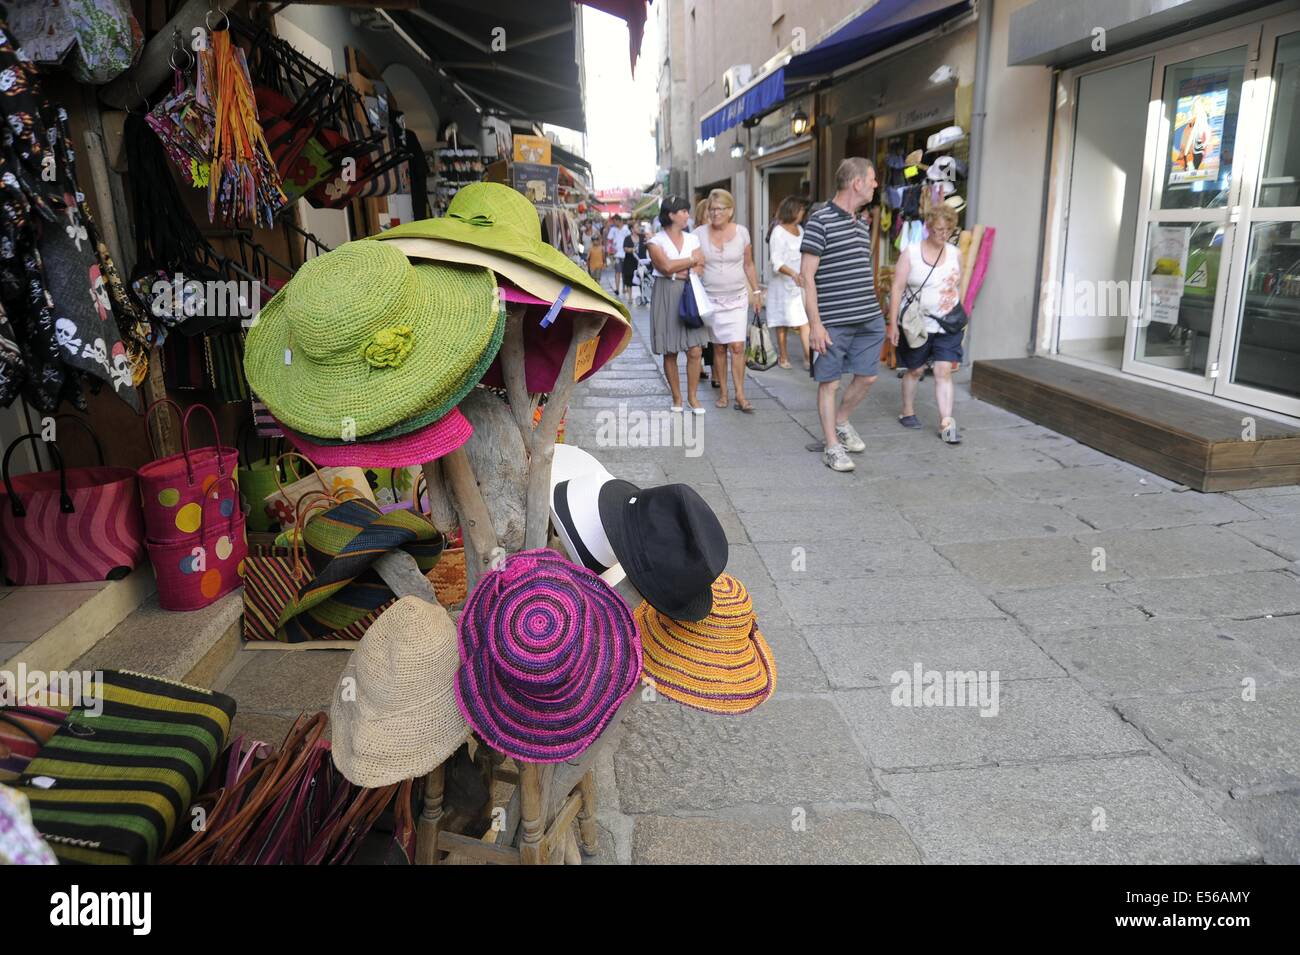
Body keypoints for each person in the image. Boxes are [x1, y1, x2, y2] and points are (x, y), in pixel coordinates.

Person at [801, 157, 890, 473]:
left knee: (868, 375)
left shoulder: (861, 222)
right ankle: (832, 446)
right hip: (833, 321)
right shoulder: (820, 220)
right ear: (857, 183)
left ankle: (841, 421)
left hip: (868, 317)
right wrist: (815, 324)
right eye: (872, 179)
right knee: (829, 383)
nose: (875, 185)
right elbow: (807, 276)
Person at [889, 204, 964, 444]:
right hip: (917, 324)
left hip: (948, 323)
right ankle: (907, 410)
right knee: (916, 369)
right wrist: (892, 324)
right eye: (939, 229)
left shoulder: (955, 253)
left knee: (943, 369)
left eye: (948, 230)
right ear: (928, 227)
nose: (944, 235)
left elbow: (958, 284)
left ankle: (946, 421)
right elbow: (897, 288)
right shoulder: (911, 253)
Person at [694, 188, 761, 412]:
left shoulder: (742, 232)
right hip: (712, 299)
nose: (715, 213)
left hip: (738, 298)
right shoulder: (699, 234)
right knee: (719, 348)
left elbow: (748, 264)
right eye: (711, 209)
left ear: (730, 210)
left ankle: (740, 394)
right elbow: (695, 264)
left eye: (720, 209)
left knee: (738, 346)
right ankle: (724, 393)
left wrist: (757, 291)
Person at [647, 195, 709, 414]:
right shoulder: (655, 241)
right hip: (666, 291)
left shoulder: (692, 239)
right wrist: (690, 262)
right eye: (683, 211)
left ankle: (693, 397)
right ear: (671, 214)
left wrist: (683, 266)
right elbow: (664, 266)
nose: (687, 215)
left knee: (695, 349)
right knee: (669, 350)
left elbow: (701, 265)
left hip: (690, 290)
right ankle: (677, 397)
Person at [766, 195, 811, 369]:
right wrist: (793, 273)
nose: (802, 213)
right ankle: (783, 356)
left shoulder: (800, 229)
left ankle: (808, 357)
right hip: (783, 284)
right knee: (782, 322)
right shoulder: (778, 231)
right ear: (792, 210)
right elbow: (776, 261)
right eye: (801, 210)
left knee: (804, 321)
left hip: (799, 283)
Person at [609, 216, 632, 295]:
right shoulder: (613, 229)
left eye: (615, 221)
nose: (614, 223)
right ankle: (617, 289)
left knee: (625, 272)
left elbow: (630, 239)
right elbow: (609, 240)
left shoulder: (626, 230)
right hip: (617, 254)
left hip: (625, 254)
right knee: (617, 272)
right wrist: (611, 249)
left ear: (619, 221)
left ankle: (624, 288)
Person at [621, 230, 637, 302]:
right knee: (629, 278)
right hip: (629, 261)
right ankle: (630, 297)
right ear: (632, 229)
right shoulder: (627, 238)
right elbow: (625, 248)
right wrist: (632, 250)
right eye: (636, 227)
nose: (638, 228)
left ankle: (642, 295)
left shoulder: (642, 237)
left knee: (641, 279)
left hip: (639, 261)